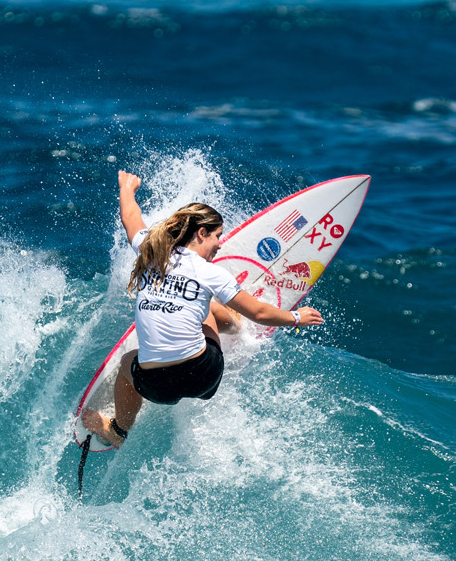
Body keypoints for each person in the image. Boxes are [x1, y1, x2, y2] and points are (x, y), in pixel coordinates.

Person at [81, 170, 323, 447]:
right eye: (217, 236)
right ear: (201, 233)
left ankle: (118, 431)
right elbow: (258, 312)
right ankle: (234, 324)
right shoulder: (210, 273)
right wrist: (296, 317)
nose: (220, 244)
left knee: (127, 364)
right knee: (205, 306)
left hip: (156, 388)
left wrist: (127, 188)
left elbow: (130, 218)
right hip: (204, 378)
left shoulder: (149, 251)